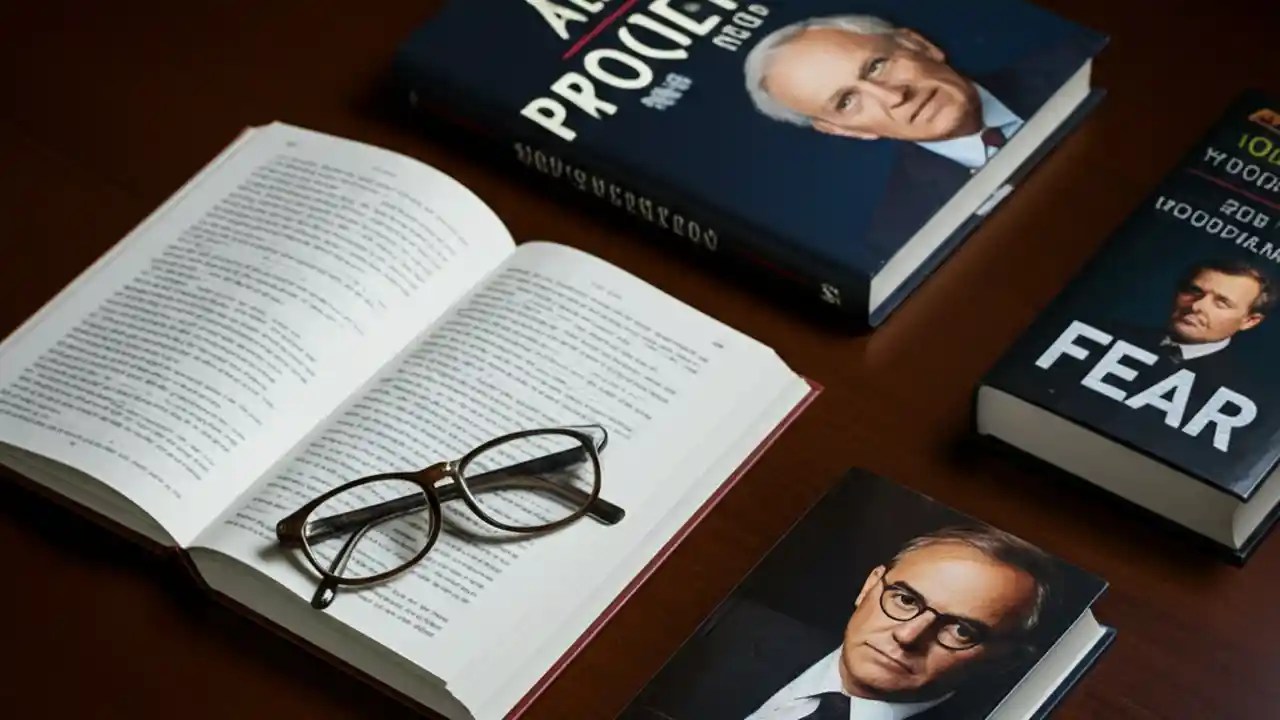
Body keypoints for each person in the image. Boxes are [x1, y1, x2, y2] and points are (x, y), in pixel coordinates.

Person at [741, 14, 1091, 257]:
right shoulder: (902, 235)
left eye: (876, 66)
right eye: (847, 102)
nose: (894, 97)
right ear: (842, 130)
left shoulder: (1086, 60)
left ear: (918, 45)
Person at [622, 525, 1057, 720]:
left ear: (1003, 661)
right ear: (870, 587)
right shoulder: (717, 629)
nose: (907, 636)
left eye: (962, 630)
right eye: (905, 599)